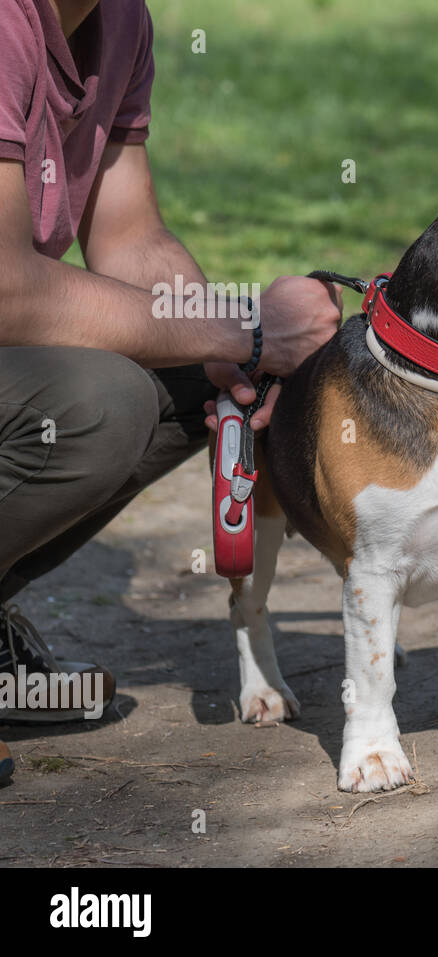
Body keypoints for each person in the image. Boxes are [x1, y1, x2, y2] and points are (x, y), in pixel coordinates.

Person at [0, 1, 340, 758]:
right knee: (99, 403)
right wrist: (242, 329)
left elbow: (131, 241)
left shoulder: (119, 17)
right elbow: (7, 288)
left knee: (200, 381)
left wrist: (237, 352)